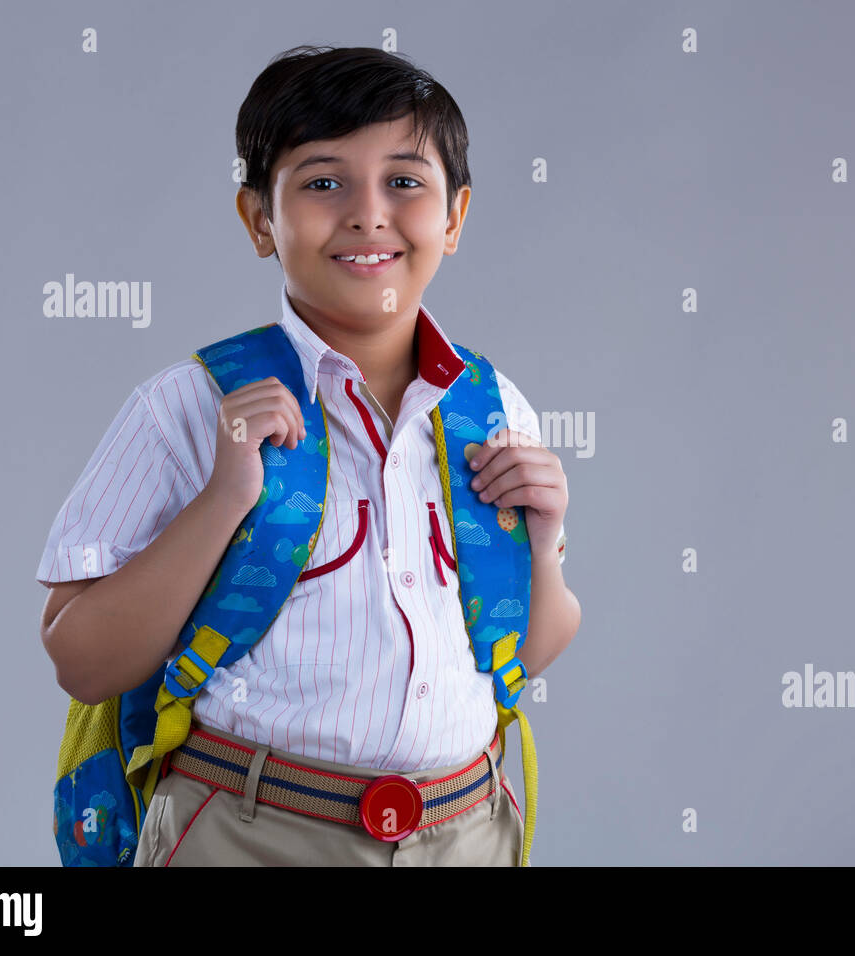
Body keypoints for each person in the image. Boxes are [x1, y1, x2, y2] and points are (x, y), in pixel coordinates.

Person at [36, 45, 581, 866]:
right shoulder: (187, 408)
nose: (368, 214)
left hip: (465, 831)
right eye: (323, 182)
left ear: (456, 217)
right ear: (260, 218)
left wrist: (543, 545)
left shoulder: (494, 410)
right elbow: (82, 661)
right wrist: (225, 499)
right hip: (248, 831)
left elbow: (525, 654)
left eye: (405, 181)